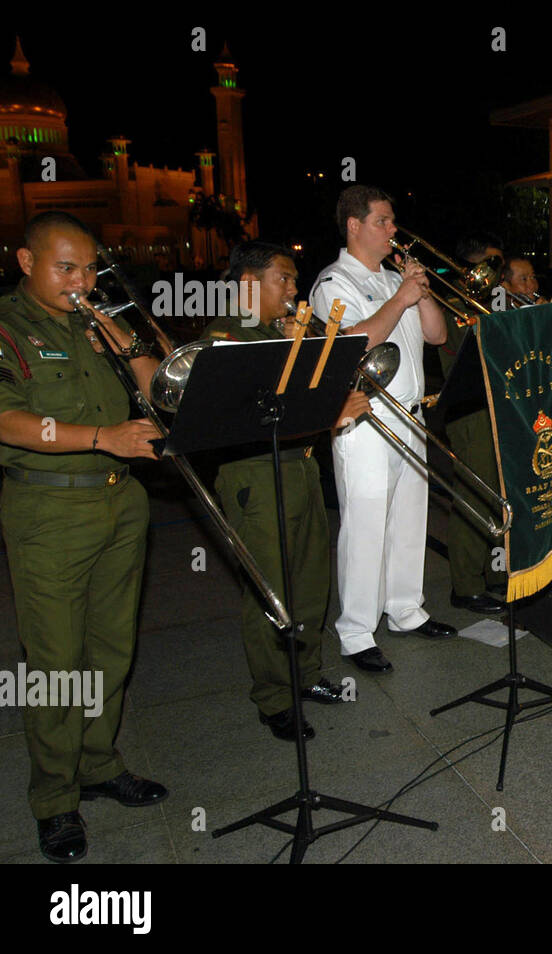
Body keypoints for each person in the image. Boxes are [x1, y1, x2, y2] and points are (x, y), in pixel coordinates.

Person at [0, 211, 169, 863]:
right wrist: (104, 437)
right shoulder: (8, 326)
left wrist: (120, 339)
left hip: (119, 502)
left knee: (111, 650)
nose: (81, 279)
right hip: (49, 514)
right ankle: (55, 799)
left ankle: (99, 764)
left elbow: (160, 390)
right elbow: (8, 420)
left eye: (90, 267)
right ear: (25, 262)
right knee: (55, 666)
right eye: (65, 267)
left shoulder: (92, 319)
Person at [202, 241, 367, 741]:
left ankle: (307, 674)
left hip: (300, 466)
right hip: (255, 473)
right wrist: (329, 414)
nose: (295, 290)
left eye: (295, 281)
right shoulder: (227, 338)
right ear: (249, 283)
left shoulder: (285, 332)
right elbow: (245, 419)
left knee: (312, 580)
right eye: (285, 279)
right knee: (270, 590)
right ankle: (274, 696)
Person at [309, 185, 456, 674]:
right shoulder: (334, 282)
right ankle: (355, 631)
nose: (394, 230)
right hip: (366, 417)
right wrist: (400, 298)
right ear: (354, 225)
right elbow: (351, 344)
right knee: (366, 524)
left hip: (411, 413)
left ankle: (406, 609)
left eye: (393, 222)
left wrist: (421, 293)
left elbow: (437, 335)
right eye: (384, 221)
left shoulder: (397, 277)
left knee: (409, 519)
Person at [435, 231, 508, 616]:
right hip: (469, 410)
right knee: (475, 495)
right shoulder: (453, 305)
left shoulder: (494, 304)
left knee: (499, 494)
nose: (498, 273)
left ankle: (495, 573)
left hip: (498, 407)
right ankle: (465, 585)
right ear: (471, 268)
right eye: (491, 264)